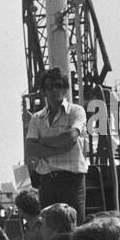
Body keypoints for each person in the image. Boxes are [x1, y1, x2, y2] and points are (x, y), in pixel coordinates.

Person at [25, 67, 90, 222]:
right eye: (49, 86)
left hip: (71, 181)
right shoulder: (37, 118)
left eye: (58, 85)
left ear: (65, 88)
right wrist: (62, 146)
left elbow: (71, 136)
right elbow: (30, 149)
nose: (54, 90)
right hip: (47, 181)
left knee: (74, 228)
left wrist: (42, 143)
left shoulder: (76, 111)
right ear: (44, 91)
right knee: (49, 229)